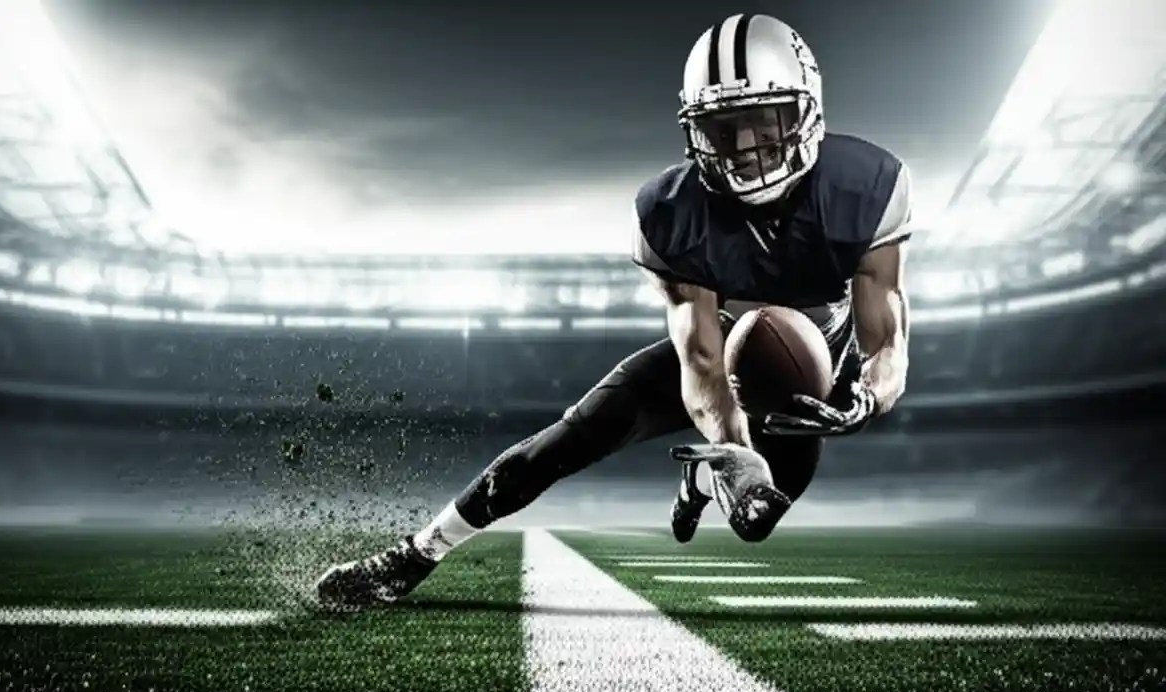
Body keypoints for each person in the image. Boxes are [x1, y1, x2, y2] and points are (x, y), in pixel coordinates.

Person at [310, 12, 912, 610]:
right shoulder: (671, 211)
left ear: (807, 109)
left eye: (762, 121)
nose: (745, 149)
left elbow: (886, 336)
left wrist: (866, 395)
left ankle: (700, 480)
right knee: (562, 443)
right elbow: (702, 360)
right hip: (713, 355)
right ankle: (414, 554)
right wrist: (736, 448)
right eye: (723, 129)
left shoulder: (865, 185)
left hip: (810, 381)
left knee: (756, 520)